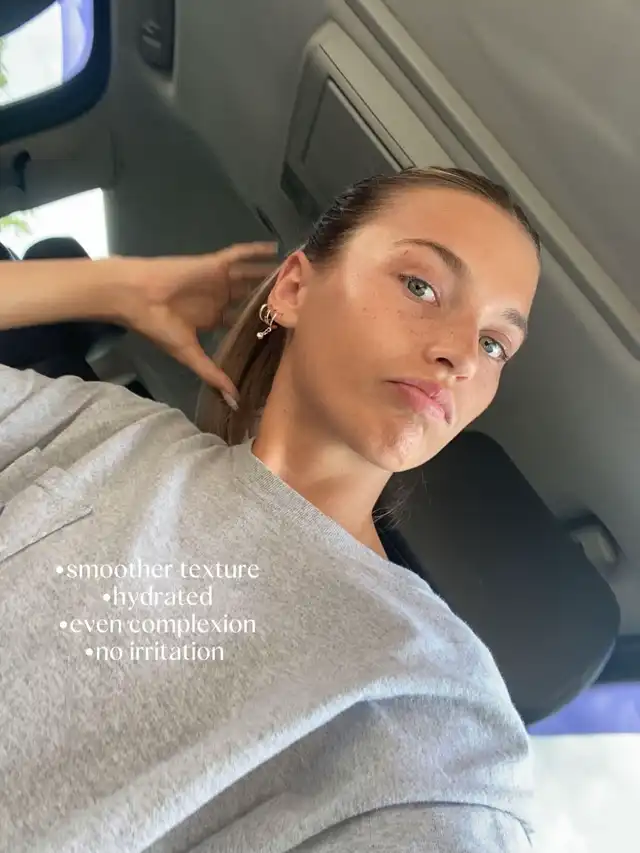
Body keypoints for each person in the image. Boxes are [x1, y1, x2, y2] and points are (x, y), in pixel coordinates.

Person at [0, 167, 541, 853]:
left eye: (495, 344)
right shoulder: (104, 430)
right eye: (421, 286)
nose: (462, 356)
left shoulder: (436, 702)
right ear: (293, 289)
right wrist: (115, 287)